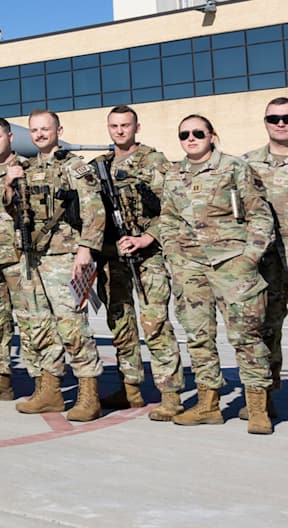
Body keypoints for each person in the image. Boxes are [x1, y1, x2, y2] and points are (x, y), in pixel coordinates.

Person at [127, 115, 274, 434]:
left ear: (212, 136)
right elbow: (167, 219)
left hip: (232, 265)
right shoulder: (175, 174)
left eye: (197, 133)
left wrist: (249, 258)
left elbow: (260, 217)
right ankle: (208, 404)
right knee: (198, 336)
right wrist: (174, 255)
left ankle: (257, 406)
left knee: (247, 335)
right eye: (184, 135)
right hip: (189, 269)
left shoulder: (234, 168)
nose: (190, 139)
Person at [5, 110, 105, 421]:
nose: (39, 134)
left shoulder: (74, 167)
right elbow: (13, 210)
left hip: (67, 258)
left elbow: (94, 210)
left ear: (58, 130)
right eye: (34, 130)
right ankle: (50, 391)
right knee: (40, 327)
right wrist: (9, 185)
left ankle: (89, 394)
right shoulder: (25, 167)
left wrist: (86, 250)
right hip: (33, 259)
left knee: (72, 326)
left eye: (45, 129)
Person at [91, 106, 184, 419]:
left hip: (147, 256)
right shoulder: (99, 165)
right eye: (114, 126)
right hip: (112, 257)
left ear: (136, 127)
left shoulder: (153, 161)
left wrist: (148, 237)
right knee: (120, 324)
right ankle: (130, 388)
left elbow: (172, 207)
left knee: (155, 323)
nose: (119, 131)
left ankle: (170, 394)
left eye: (125, 125)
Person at [0, 118, 50, 403]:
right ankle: (1, 382)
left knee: (32, 322)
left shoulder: (28, 168)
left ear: (10, 137)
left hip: (21, 258)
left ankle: (43, 382)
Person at [243, 97, 288, 422]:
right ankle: (267, 398)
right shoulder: (248, 164)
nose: (281, 123)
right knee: (268, 330)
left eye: (286, 117)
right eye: (274, 118)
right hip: (269, 261)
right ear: (266, 122)